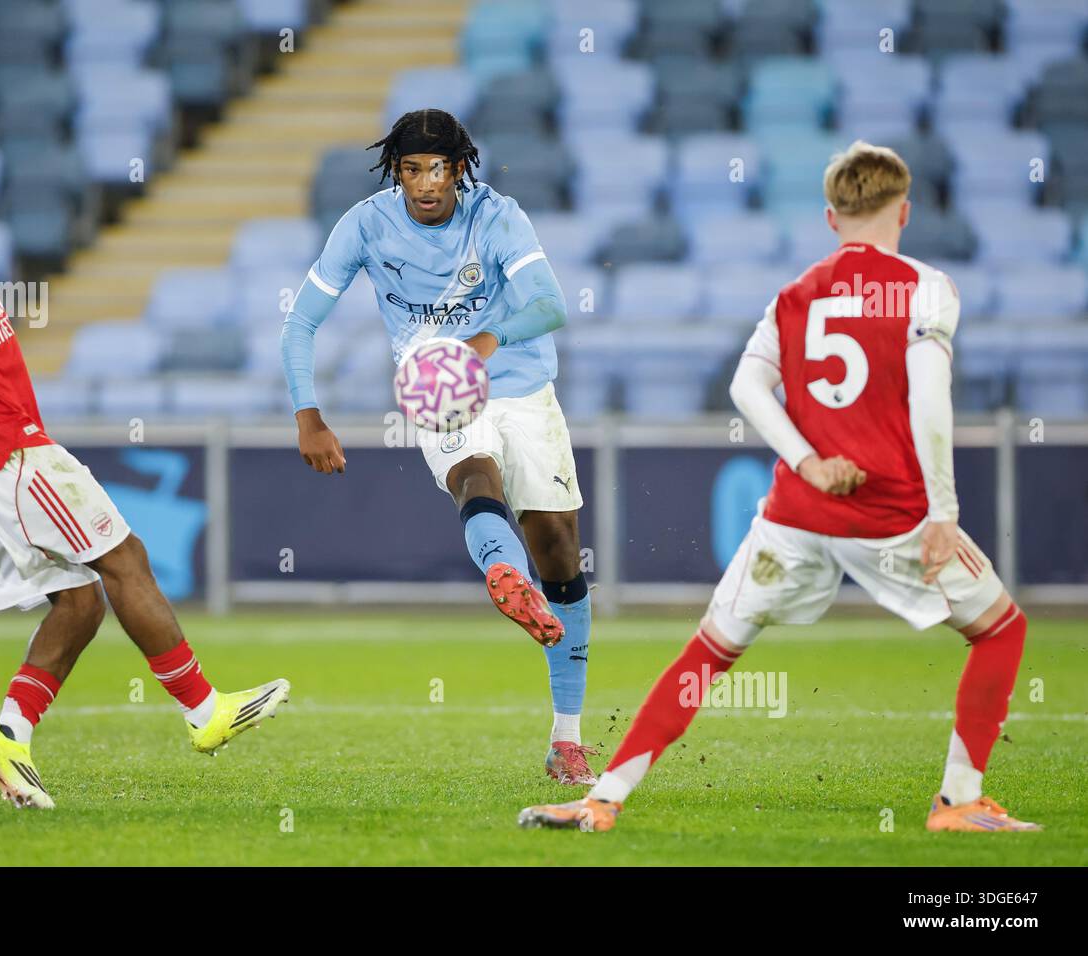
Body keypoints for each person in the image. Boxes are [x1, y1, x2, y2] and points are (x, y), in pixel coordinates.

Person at [519, 141, 1040, 832]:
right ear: (905, 212)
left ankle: (603, 798)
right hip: (892, 516)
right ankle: (958, 800)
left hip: (797, 512)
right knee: (1002, 630)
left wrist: (809, 460)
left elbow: (747, 386)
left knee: (706, 654)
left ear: (831, 219)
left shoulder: (796, 294)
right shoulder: (926, 286)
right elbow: (930, 399)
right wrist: (943, 510)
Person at [0, 117, 289, 809]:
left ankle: (9, 736)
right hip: (3, 455)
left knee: (81, 600)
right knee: (124, 558)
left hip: (11, 448)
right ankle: (203, 711)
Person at [280, 109, 596, 785]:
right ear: (396, 171)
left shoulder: (497, 215)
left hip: (523, 382)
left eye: (438, 168)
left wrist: (485, 342)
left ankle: (566, 736)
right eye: (412, 169)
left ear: (460, 168)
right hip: (438, 389)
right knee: (474, 477)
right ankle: (503, 579)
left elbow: (550, 304)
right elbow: (301, 321)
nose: (426, 184)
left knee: (560, 552)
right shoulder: (366, 224)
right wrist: (308, 414)